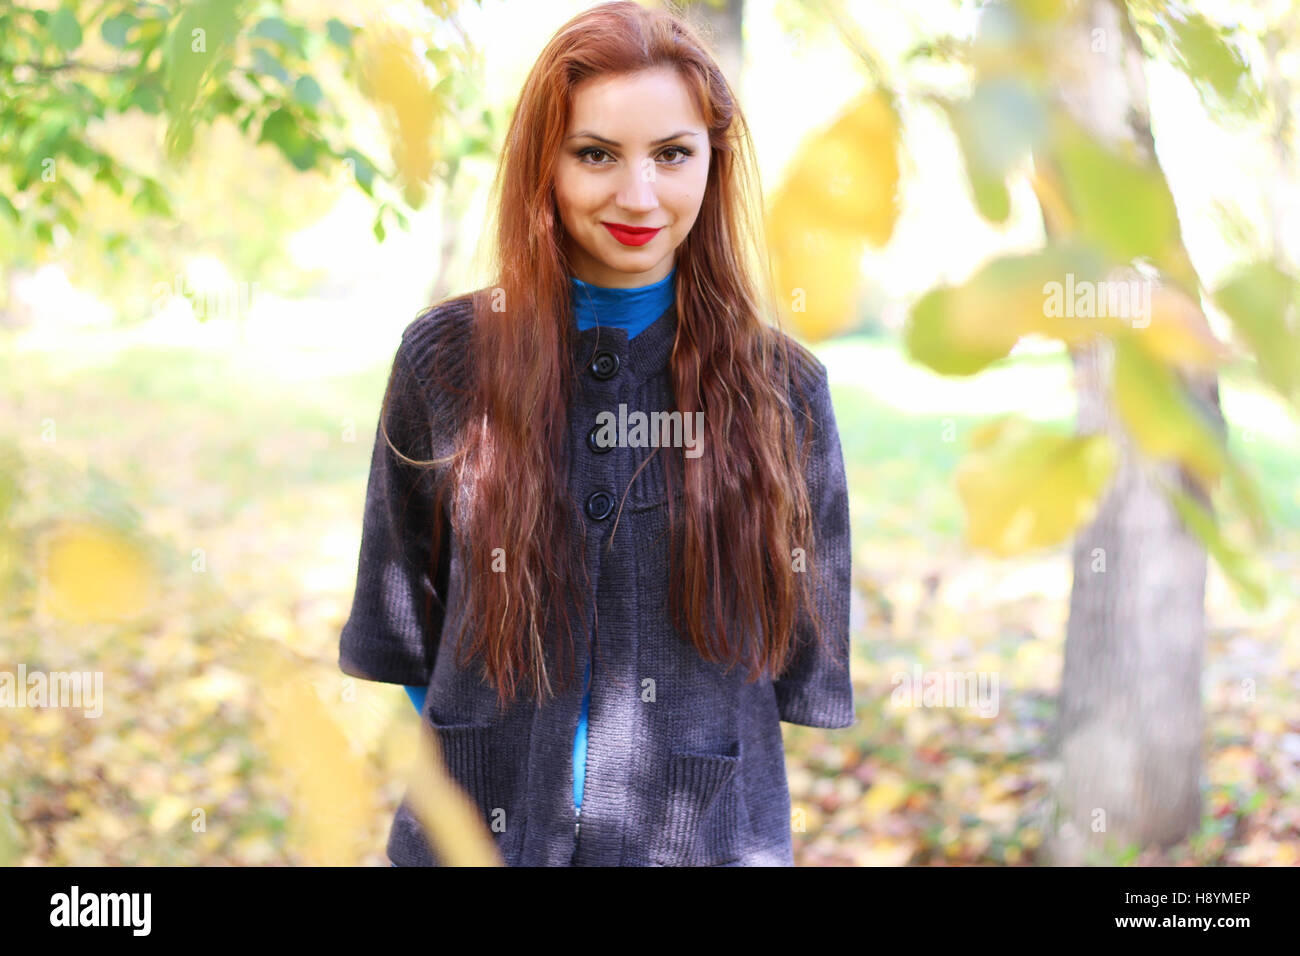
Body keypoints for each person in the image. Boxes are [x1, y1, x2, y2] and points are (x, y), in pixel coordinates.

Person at [342, 0, 854, 867]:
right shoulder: (447, 359)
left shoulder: (784, 392)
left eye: (672, 155)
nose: (639, 195)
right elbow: (405, 622)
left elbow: (793, 654)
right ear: (546, 162)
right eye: (596, 155)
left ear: (712, 162)